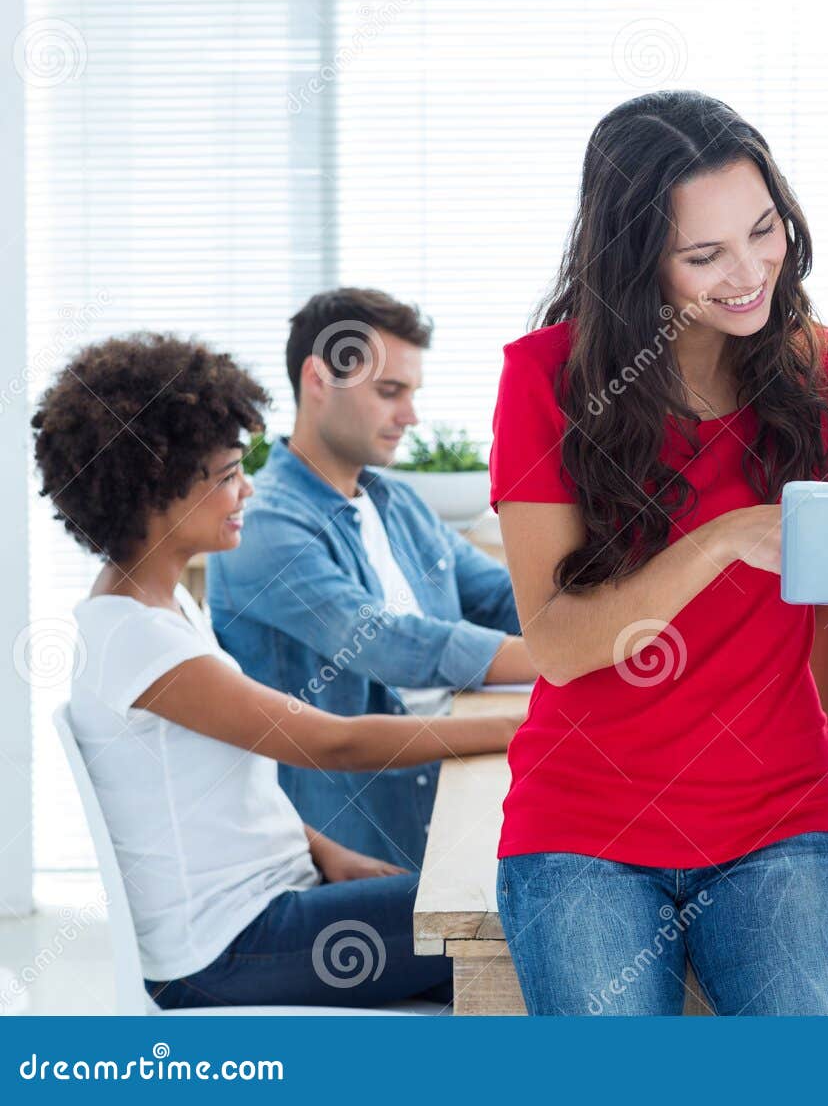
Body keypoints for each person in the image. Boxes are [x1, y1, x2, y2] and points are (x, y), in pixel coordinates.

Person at [490, 90, 828, 1015]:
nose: (750, 271)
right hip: (585, 824)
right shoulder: (546, 381)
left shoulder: (819, 369)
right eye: (704, 254)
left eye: (765, 230)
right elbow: (558, 642)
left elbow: (826, 619)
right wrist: (722, 539)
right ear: (638, 262)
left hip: (780, 819)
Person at [33, 333, 516, 1009]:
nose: (247, 488)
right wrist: (528, 726)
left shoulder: (154, 606)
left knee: (491, 915)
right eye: (228, 473)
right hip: (228, 951)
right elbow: (329, 742)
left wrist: (323, 850)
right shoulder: (138, 640)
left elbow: (228, 789)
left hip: (268, 910)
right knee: (509, 908)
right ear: (157, 486)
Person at [208, 288, 533, 870]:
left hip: (450, 781)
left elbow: (503, 596)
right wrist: (558, 657)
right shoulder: (262, 523)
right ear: (317, 379)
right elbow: (386, 642)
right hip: (356, 840)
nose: (409, 415)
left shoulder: (395, 502)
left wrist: (600, 616)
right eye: (390, 392)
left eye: (412, 393)